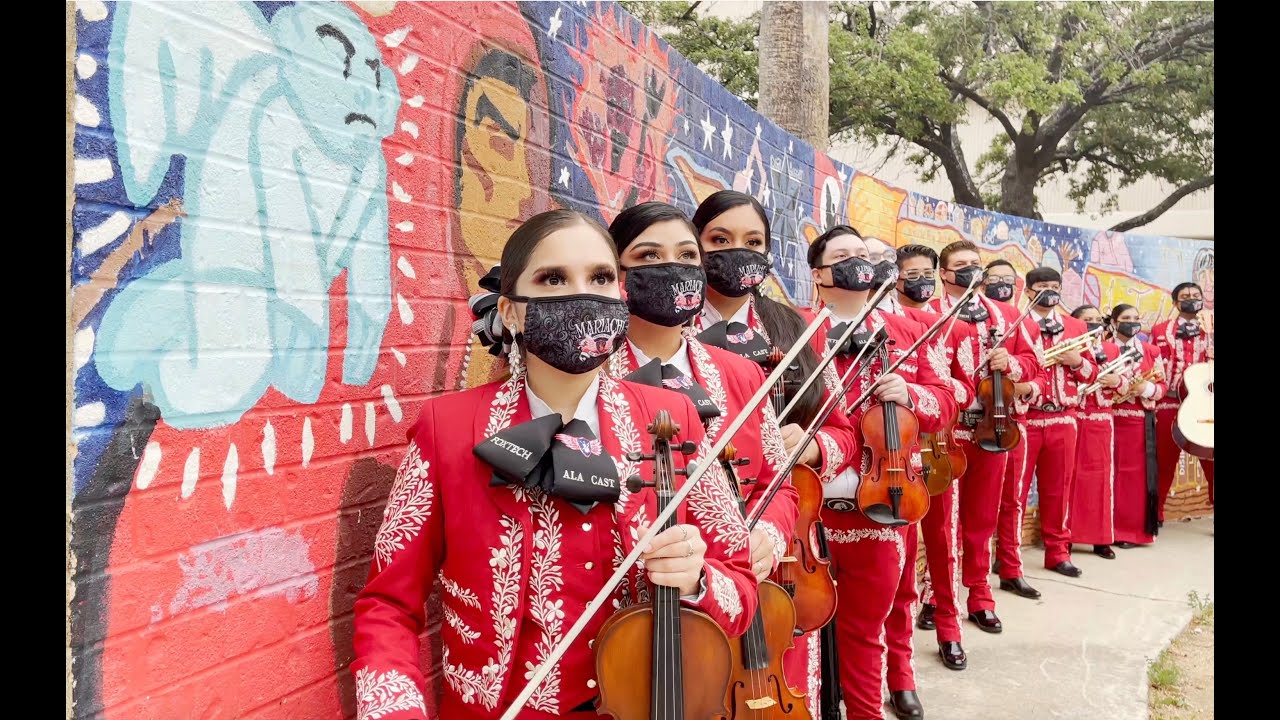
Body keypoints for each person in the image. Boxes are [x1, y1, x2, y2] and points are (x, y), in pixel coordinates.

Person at [350, 210, 758, 720]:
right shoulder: (447, 427)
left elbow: (742, 591)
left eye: (600, 278)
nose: (581, 293)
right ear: (512, 311)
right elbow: (388, 607)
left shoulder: (671, 419)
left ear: (620, 299)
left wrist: (697, 579)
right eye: (553, 278)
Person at [603, 200, 815, 702]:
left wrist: (768, 530)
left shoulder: (740, 373)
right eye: (649, 256)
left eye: (686, 256)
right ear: (617, 274)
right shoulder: (592, 375)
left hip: (730, 598)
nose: (671, 268)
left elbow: (777, 479)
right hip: (623, 623)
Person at [690, 191, 860, 716]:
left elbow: (844, 433)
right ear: (695, 248)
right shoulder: (670, 327)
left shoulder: (791, 327)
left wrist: (809, 446)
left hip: (787, 542)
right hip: (697, 548)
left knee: (784, 670)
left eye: (752, 242)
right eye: (720, 240)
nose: (736, 251)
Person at [805, 225, 958, 720]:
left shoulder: (910, 330)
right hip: (812, 508)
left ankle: (875, 704)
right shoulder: (797, 328)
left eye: (862, 255)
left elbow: (948, 401)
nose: (857, 263)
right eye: (842, 256)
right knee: (804, 633)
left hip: (885, 499)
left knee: (867, 629)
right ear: (819, 275)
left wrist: (911, 396)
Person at [925, 243, 1041, 636]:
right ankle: (937, 597)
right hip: (948, 431)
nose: (971, 270)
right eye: (961, 266)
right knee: (941, 523)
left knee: (981, 520)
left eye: (976, 265)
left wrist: (1012, 363)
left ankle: (979, 596)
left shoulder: (1006, 314)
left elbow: (1033, 362)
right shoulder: (931, 315)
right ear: (943, 273)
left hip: (995, 426)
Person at [891, 243, 973, 675]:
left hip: (938, 449)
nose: (921, 279)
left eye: (928, 271)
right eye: (913, 272)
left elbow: (968, 388)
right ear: (896, 278)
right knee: (897, 556)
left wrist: (941, 394)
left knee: (943, 542)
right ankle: (894, 655)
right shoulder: (882, 324)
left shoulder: (956, 329)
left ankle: (949, 628)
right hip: (889, 455)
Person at [1018, 267, 1097, 577]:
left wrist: (1076, 361)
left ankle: (1058, 552)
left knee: (1058, 490)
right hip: (1027, 418)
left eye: (1054, 286)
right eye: (1042, 286)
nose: (1049, 291)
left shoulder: (1077, 326)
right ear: (1028, 291)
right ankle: (1007, 554)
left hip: (1064, 417)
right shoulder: (1018, 324)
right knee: (1015, 493)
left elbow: (1092, 375)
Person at [982, 259, 1045, 600]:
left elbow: (1038, 370)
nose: (1003, 284)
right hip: (968, 425)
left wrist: (1017, 378)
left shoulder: (1023, 323)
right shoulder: (969, 314)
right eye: (996, 278)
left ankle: (1010, 568)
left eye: (1009, 279)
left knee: (1012, 501)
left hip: (1011, 423)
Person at [1150, 282, 1214, 520]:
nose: (1191, 299)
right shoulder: (1158, 331)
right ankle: (1154, 516)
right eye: (1185, 296)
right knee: (1163, 461)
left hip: (1206, 404)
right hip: (1169, 403)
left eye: (1196, 295)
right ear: (1175, 302)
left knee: (1211, 460)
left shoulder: (1212, 329)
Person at [1068, 305, 1124, 559]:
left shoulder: (1113, 350)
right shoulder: (1070, 349)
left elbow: (1126, 384)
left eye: (1096, 320)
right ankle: (1065, 537)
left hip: (1101, 421)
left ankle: (1101, 539)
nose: (1092, 324)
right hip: (1074, 417)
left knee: (1100, 480)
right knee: (1069, 478)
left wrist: (1116, 381)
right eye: (1086, 320)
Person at [1108, 304, 1167, 547]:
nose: (1131, 322)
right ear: (1114, 322)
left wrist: (1146, 388)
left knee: (1132, 477)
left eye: (1135, 318)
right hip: (1106, 417)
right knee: (1104, 475)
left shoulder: (1151, 351)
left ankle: (1128, 532)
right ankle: (1101, 531)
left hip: (1135, 420)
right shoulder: (1102, 348)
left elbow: (1162, 386)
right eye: (1125, 318)